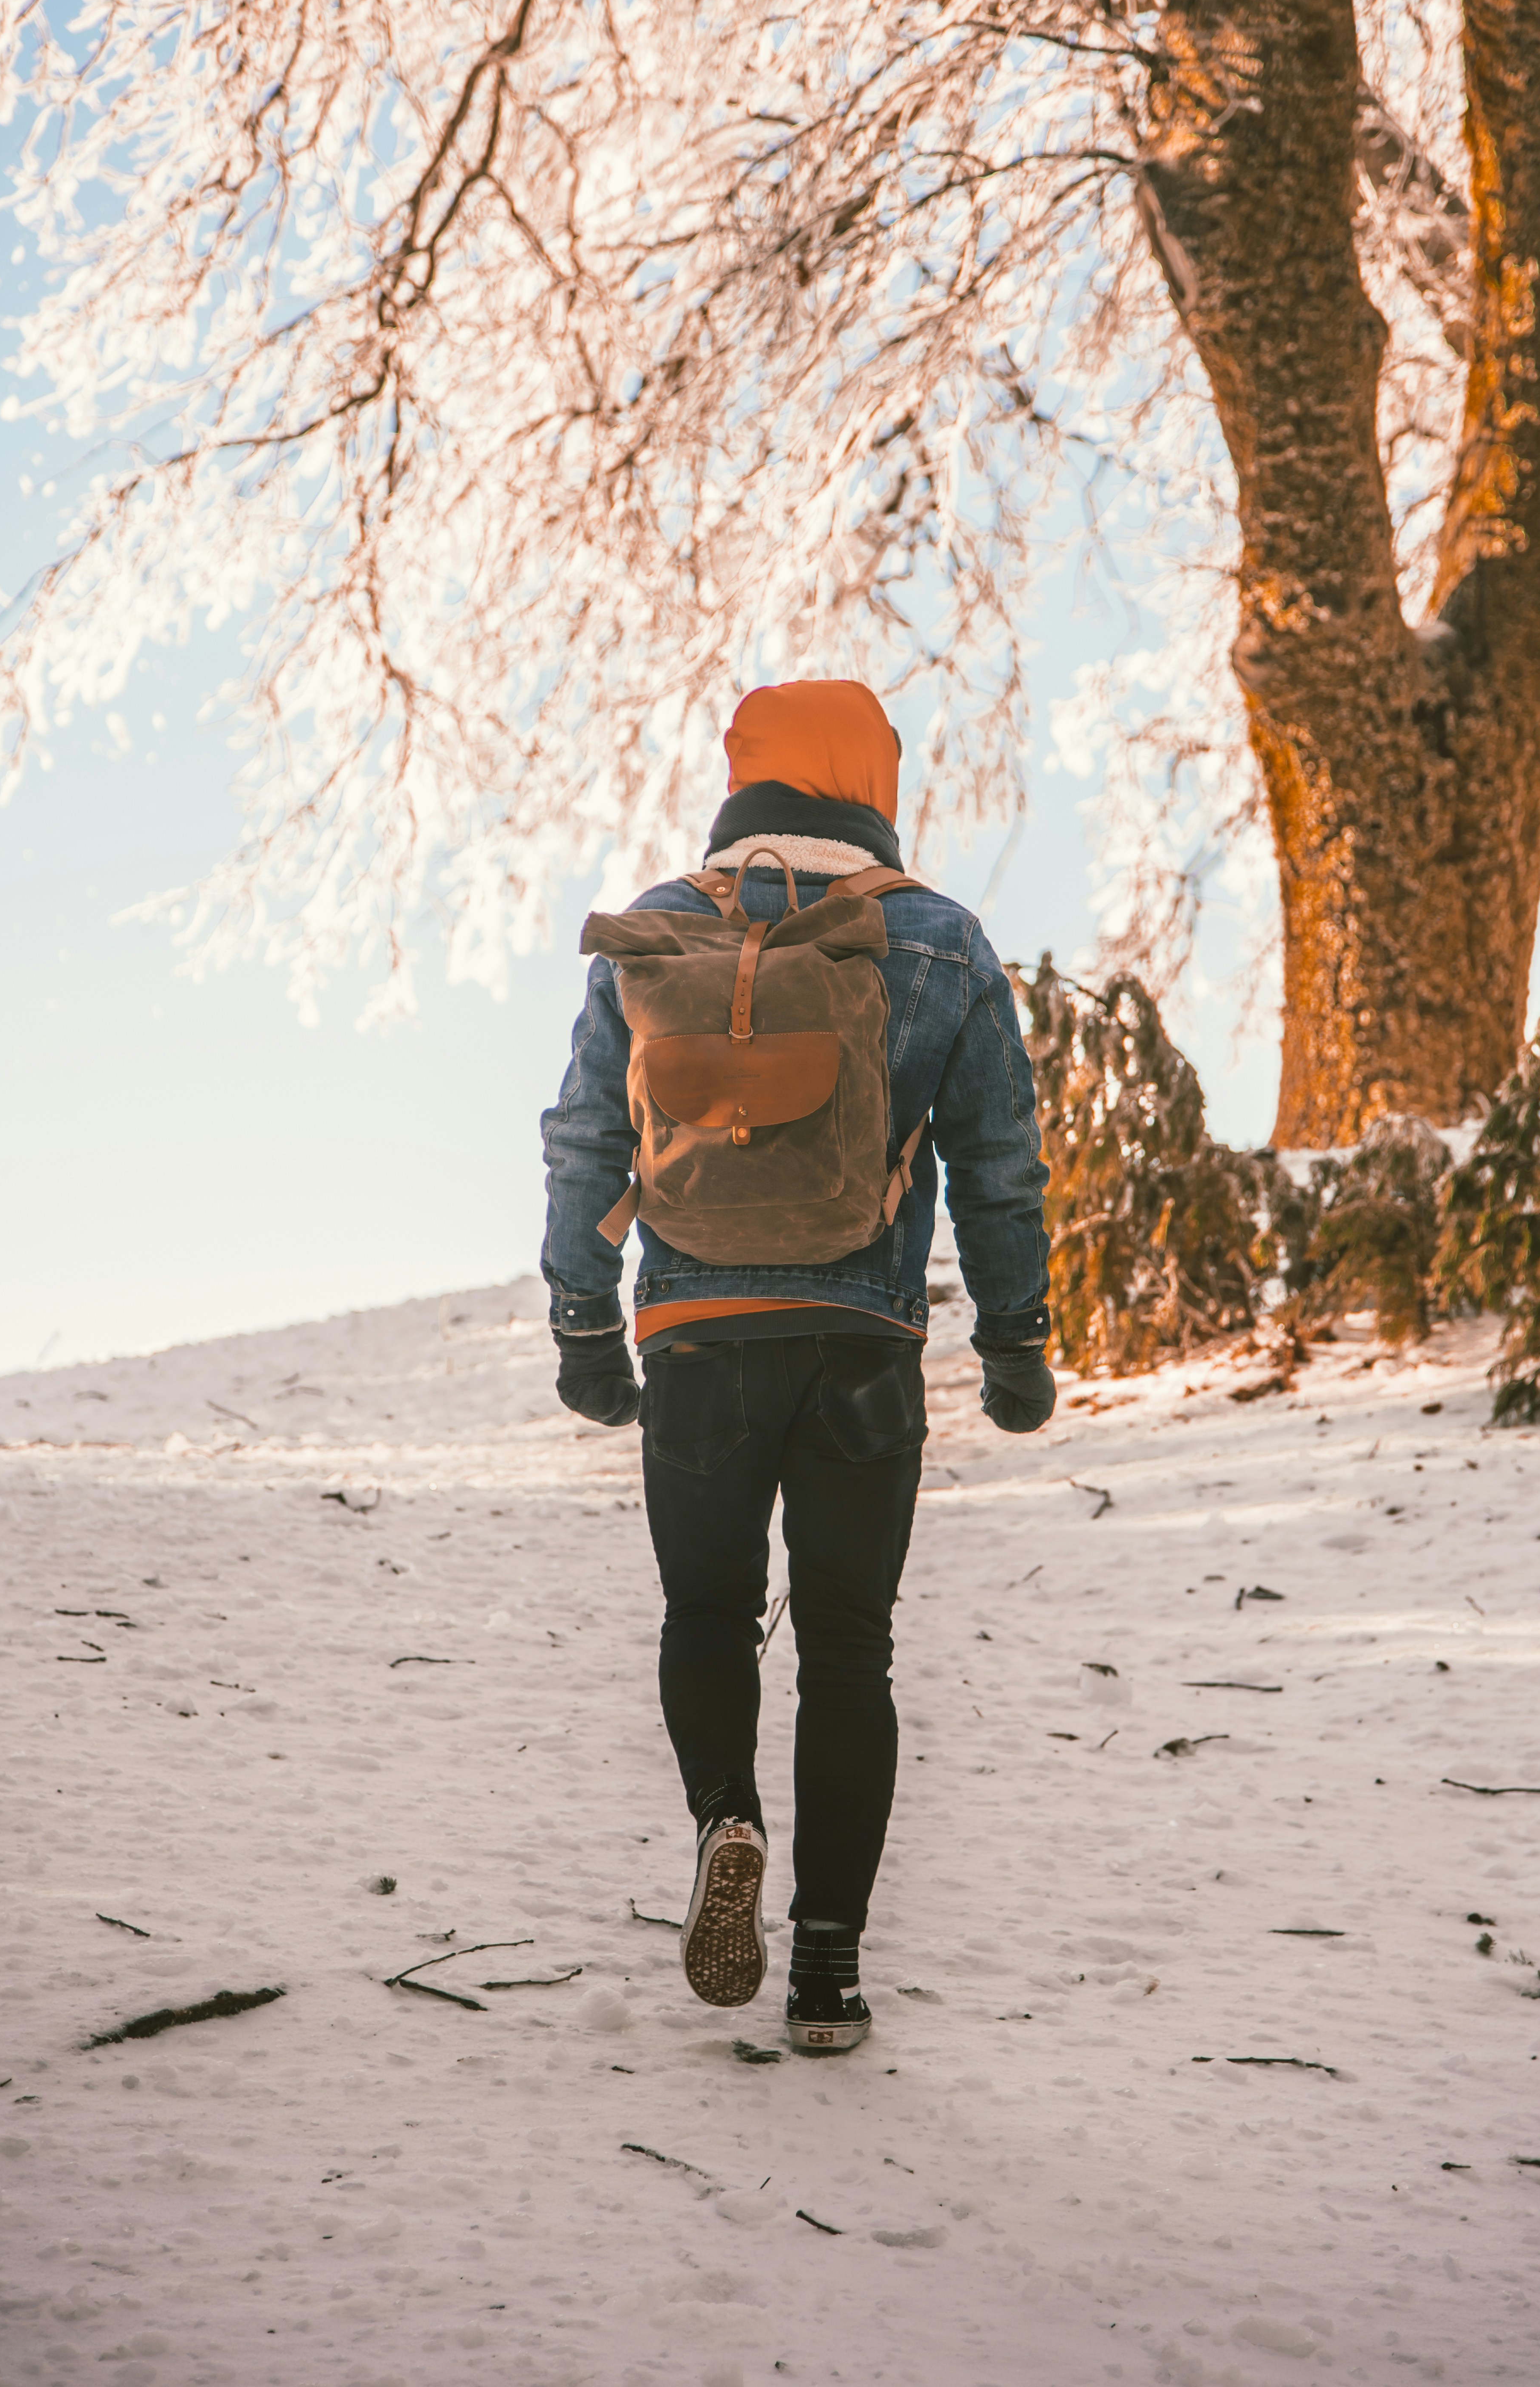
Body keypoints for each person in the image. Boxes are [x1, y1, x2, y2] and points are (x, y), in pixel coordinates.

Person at [541, 680, 1053, 2052]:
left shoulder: (655, 924)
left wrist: (586, 1324)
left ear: (743, 777)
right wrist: (1017, 1344)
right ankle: (826, 1975)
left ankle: (727, 1822)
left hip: (698, 1340)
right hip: (864, 1344)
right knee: (850, 1652)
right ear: (873, 780)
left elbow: (588, 1139)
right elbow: (998, 1165)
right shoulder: (935, 938)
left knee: (708, 1618)